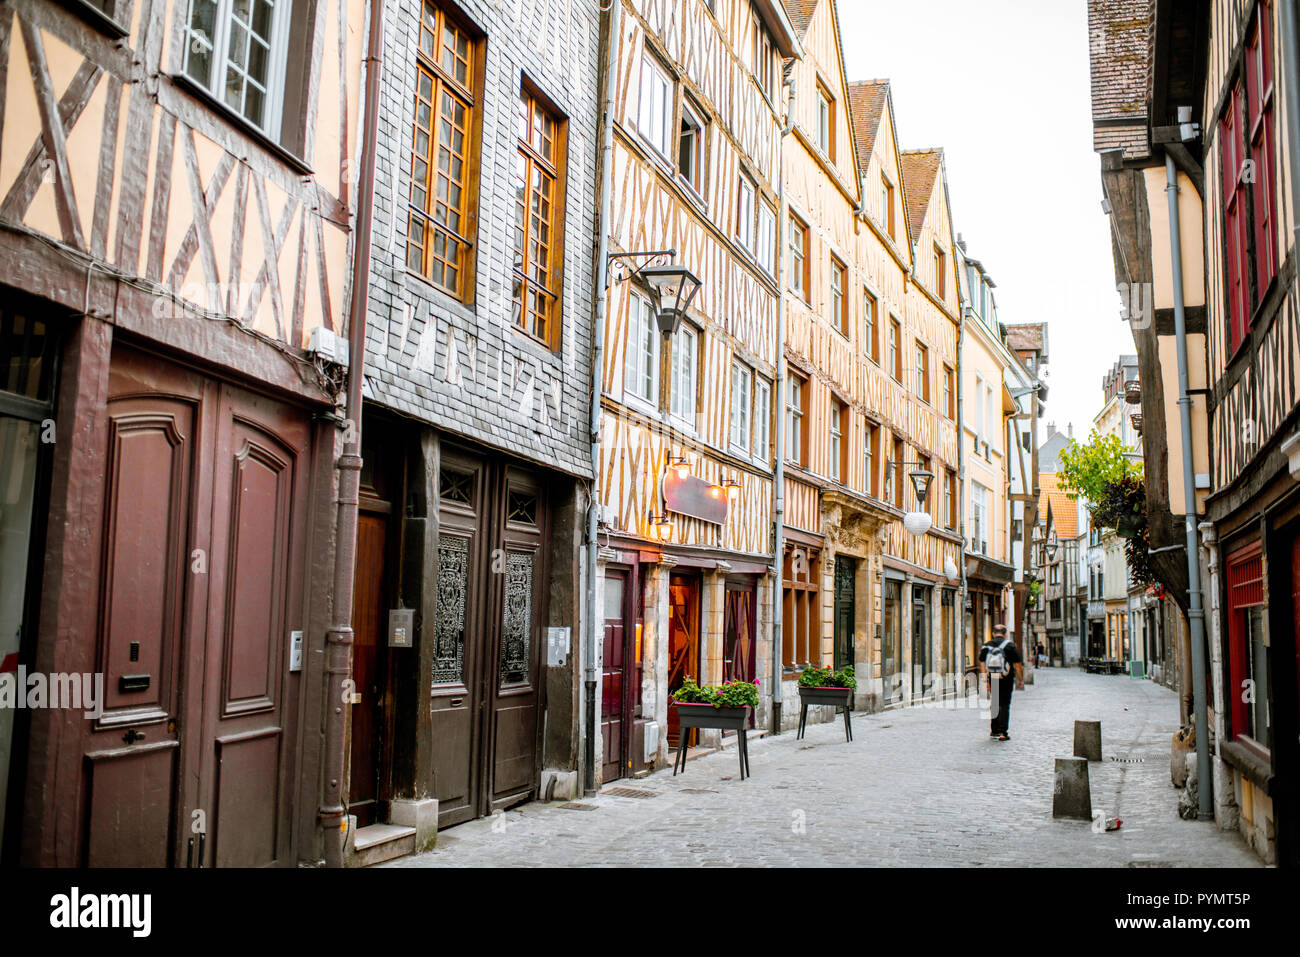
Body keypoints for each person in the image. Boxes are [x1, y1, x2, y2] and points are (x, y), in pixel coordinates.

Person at [979, 624, 1024, 741]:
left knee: (995, 703)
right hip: (1007, 678)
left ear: (993, 633)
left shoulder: (986, 646)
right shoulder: (1010, 646)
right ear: (1005, 634)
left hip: (993, 678)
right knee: (1004, 704)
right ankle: (1004, 732)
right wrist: (1021, 679)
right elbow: (1018, 664)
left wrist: (985, 680)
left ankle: (994, 730)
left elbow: (982, 663)